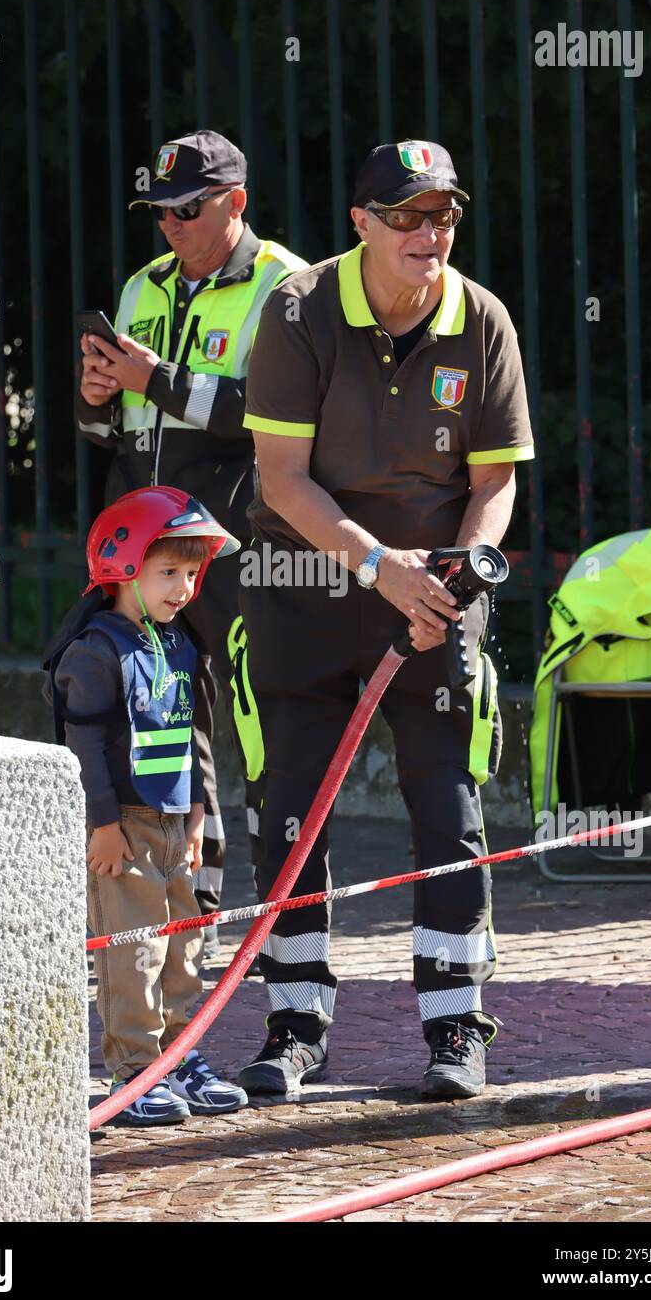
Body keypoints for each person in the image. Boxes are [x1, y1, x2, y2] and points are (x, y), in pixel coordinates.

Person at [236, 140, 535, 1100]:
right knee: (290, 809)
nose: (430, 232)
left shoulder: (481, 317)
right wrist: (375, 567)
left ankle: (456, 1027)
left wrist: (461, 577)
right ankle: (294, 1024)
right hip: (306, 585)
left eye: (445, 213)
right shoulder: (295, 312)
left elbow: (495, 486)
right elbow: (281, 480)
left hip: (432, 598)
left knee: (447, 806)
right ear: (361, 223)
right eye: (407, 215)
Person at [76, 130, 307, 946]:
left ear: (236, 203)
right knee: (165, 731)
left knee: (260, 734)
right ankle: (192, 911)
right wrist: (99, 392)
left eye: (188, 208)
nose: (170, 224)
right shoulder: (144, 285)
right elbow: (110, 431)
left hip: (238, 546)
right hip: (146, 552)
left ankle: (280, 926)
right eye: (159, 210)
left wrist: (155, 378)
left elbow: (270, 418)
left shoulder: (287, 285)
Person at [50, 486, 248, 1124]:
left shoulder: (179, 643)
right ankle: (134, 1070)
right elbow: (81, 745)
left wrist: (195, 817)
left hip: (172, 827)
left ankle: (181, 1054)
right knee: (133, 950)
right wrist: (101, 826)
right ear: (122, 566)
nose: (184, 587)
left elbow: (191, 733)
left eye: (192, 573)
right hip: (124, 830)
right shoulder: (96, 651)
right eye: (169, 572)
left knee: (184, 944)